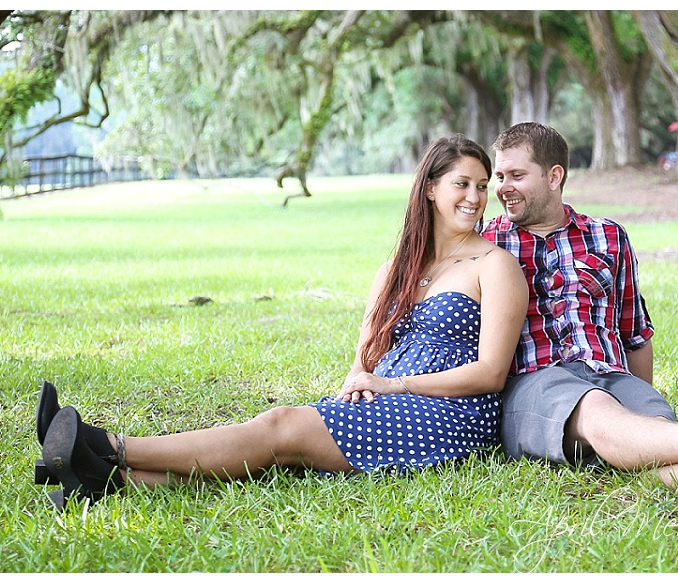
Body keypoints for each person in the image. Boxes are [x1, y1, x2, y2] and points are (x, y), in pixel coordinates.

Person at [34, 134, 529, 510]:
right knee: (278, 457)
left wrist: (392, 384)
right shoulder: (395, 270)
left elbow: (490, 374)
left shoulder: (494, 266)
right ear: (428, 190)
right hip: (384, 397)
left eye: (482, 186)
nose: (475, 197)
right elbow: (366, 353)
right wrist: (358, 384)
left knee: (280, 425)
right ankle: (98, 480)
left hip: (451, 414)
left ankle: (105, 444)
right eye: (462, 184)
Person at [480, 122, 678, 499]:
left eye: (516, 175)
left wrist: (641, 399)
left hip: (612, 374)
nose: (503, 187)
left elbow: (634, 332)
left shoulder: (608, 236)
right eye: (500, 175)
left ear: (554, 176)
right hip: (537, 383)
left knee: (649, 429)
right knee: (597, 409)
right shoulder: (486, 242)